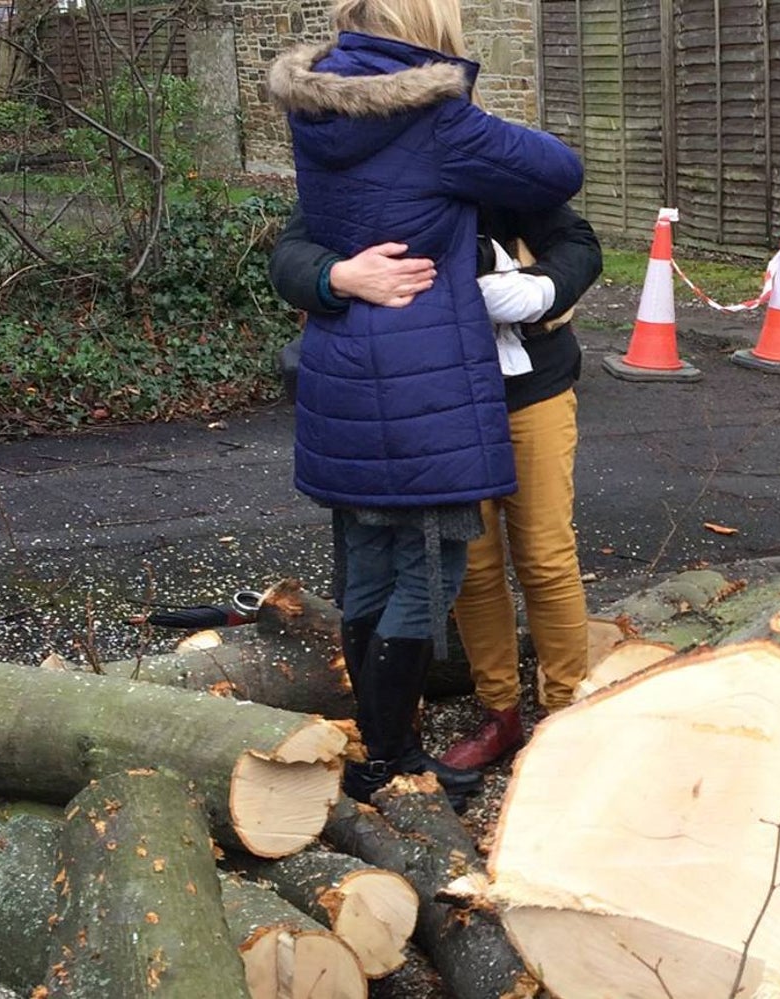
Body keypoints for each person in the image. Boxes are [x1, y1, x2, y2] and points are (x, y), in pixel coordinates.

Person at [266, 0, 584, 802]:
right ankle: (404, 751)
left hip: (453, 382)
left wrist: (541, 288)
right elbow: (558, 166)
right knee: (440, 567)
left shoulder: (322, 123)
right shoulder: (445, 129)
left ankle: (551, 721)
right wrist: (338, 274)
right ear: (436, 39)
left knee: (505, 557)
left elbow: (572, 233)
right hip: (431, 390)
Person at [272, 196, 602, 771]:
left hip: (532, 389)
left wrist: (540, 289)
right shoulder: (360, 173)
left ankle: (565, 711)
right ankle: (500, 712)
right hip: (438, 402)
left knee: (546, 554)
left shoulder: (491, 167)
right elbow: (292, 261)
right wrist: (340, 276)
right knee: (471, 566)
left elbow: (578, 245)